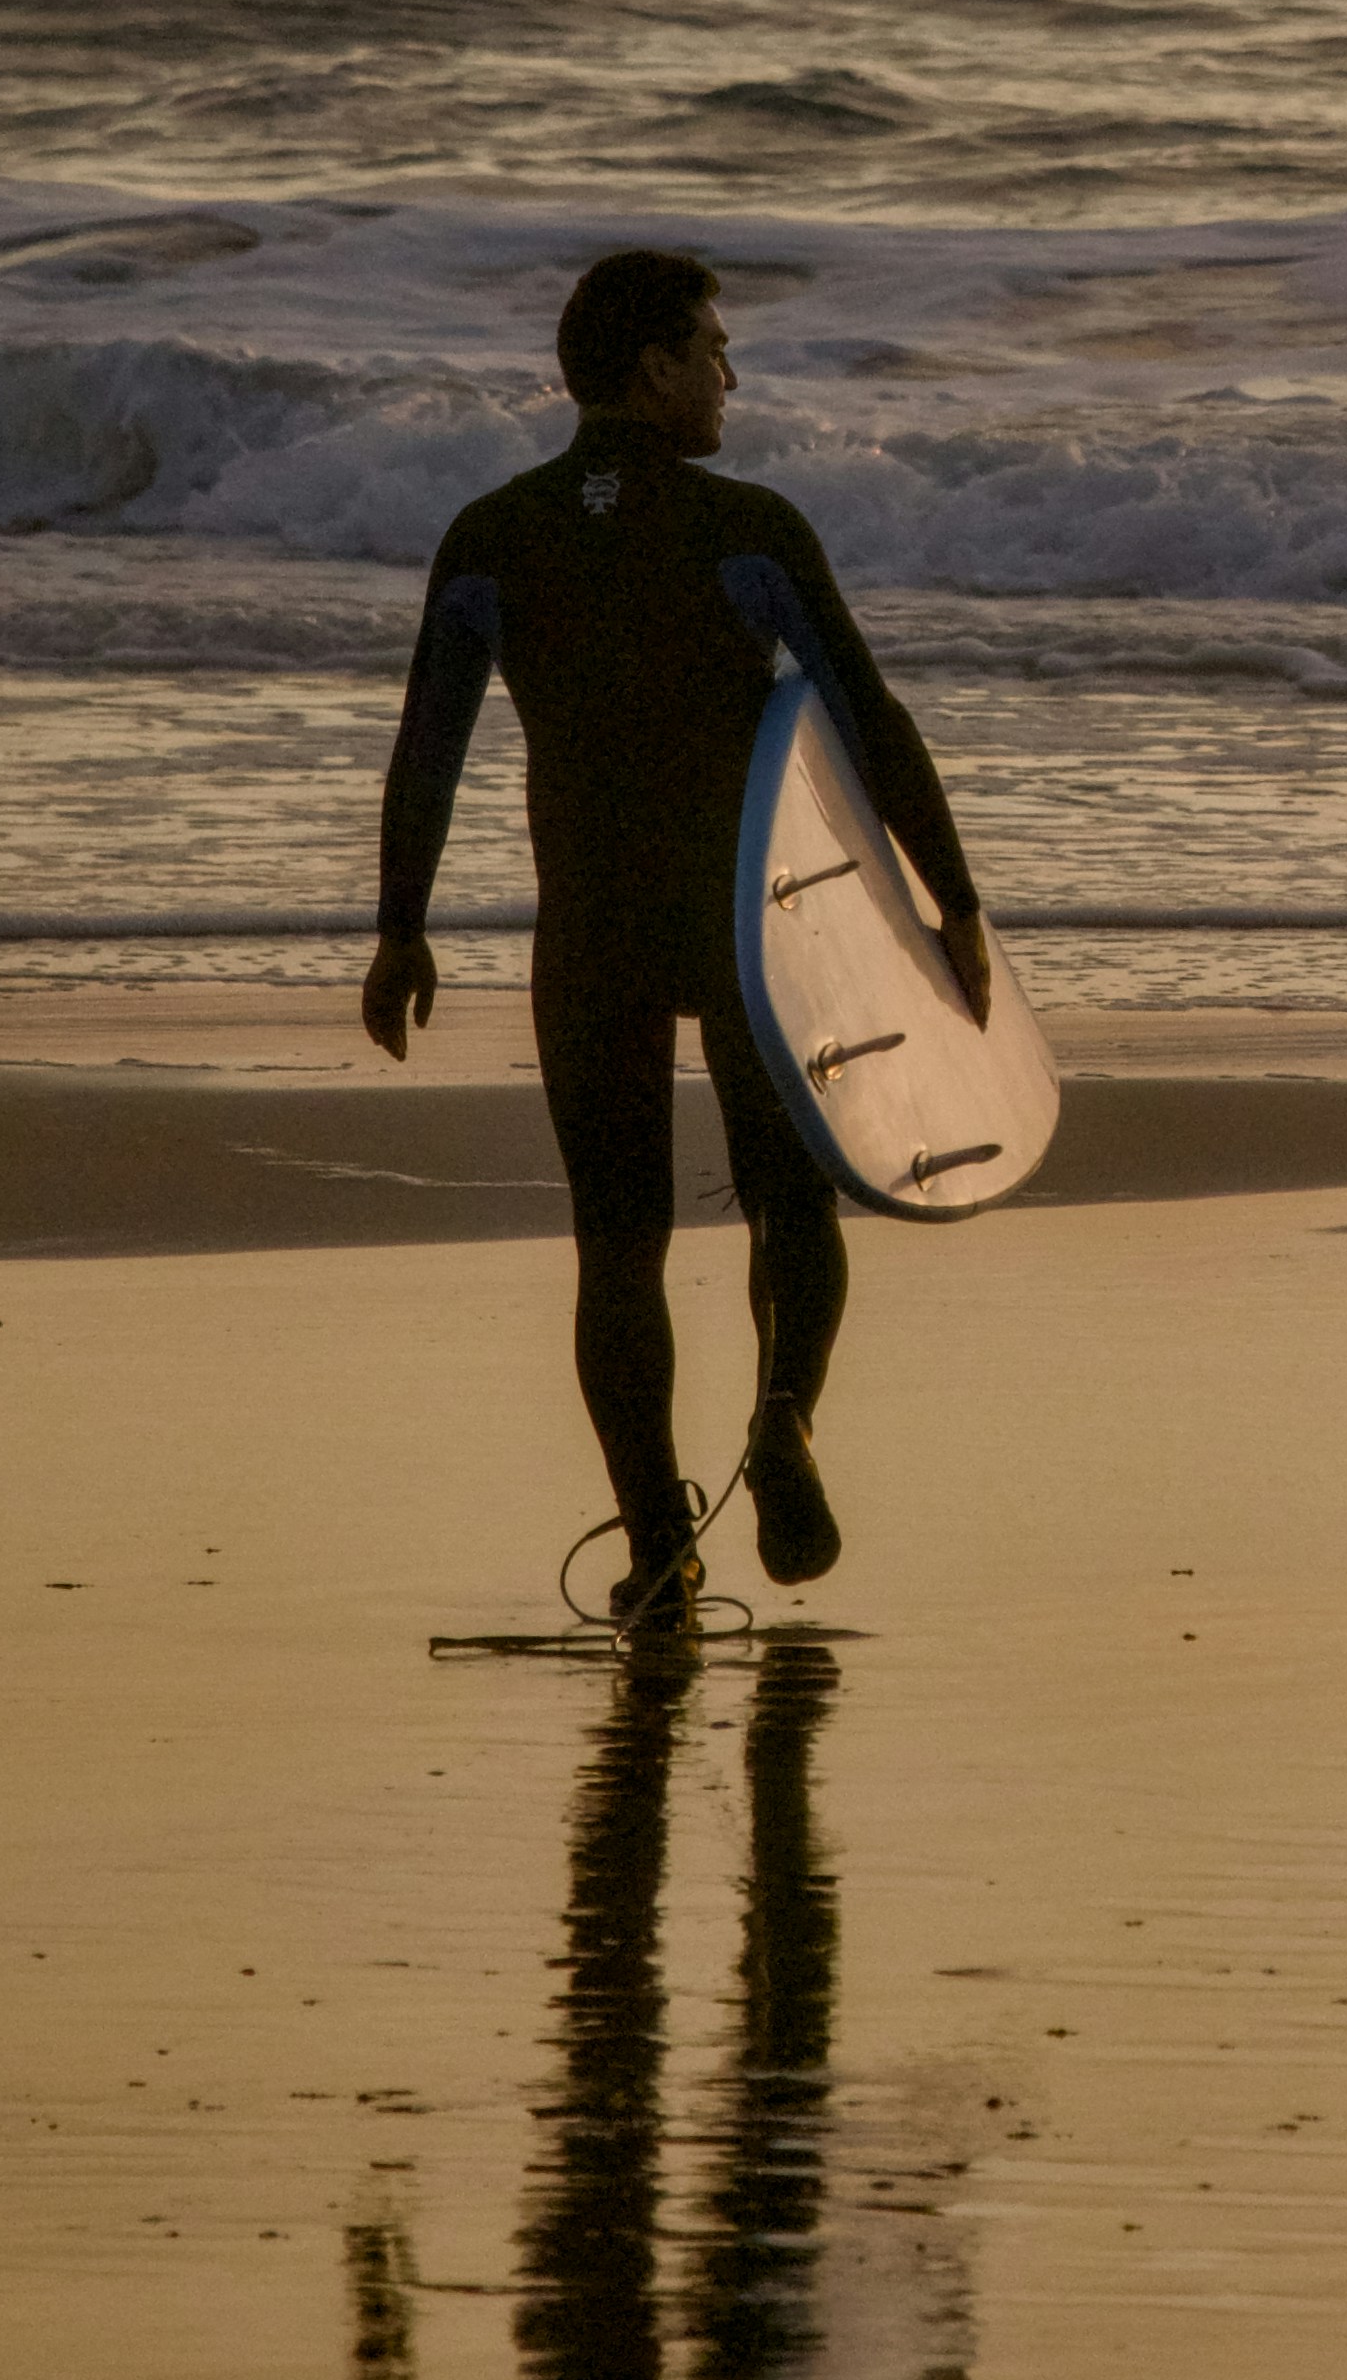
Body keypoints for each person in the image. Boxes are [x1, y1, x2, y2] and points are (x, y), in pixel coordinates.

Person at [363, 247, 990, 1642]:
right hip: (746, 941)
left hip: (587, 930)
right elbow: (869, 719)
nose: (727, 375)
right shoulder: (746, 530)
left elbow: (428, 746)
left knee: (617, 1245)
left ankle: (658, 1552)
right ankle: (780, 1422)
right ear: (651, 368)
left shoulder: (491, 537)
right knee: (791, 1205)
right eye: (713, 350)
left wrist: (400, 927)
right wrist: (951, 900)